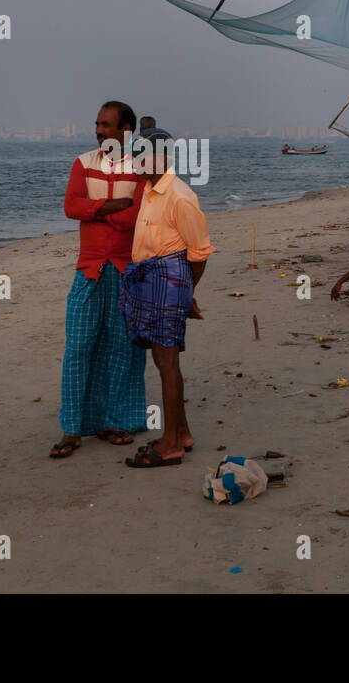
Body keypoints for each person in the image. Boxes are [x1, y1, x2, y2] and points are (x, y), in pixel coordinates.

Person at [50, 101, 147, 459]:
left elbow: (138, 215)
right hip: (89, 267)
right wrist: (109, 208)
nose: (99, 130)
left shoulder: (140, 166)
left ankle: (113, 421)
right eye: (97, 124)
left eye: (106, 125)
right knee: (77, 348)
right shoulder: (83, 163)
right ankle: (71, 428)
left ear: (127, 130)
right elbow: (71, 207)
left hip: (126, 269)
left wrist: (99, 214)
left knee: (121, 348)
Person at [118, 128, 215, 468]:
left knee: (167, 363)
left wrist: (185, 293)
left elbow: (199, 253)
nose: (136, 160)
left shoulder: (179, 195)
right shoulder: (148, 189)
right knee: (164, 361)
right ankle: (181, 432)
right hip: (150, 279)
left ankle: (171, 444)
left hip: (169, 280)